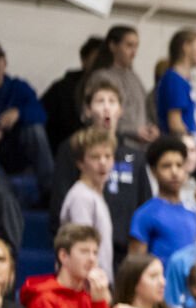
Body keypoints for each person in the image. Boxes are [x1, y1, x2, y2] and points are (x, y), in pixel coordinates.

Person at [50, 79, 151, 266]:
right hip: (86, 253)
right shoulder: (72, 149)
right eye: (100, 101)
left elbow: (145, 206)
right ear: (87, 110)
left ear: (120, 110)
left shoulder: (134, 156)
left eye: (112, 101)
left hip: (124, 250)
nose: (106, 108)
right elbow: (59, 201)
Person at [0, 39, 53, 194]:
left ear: (5, 62)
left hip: (13, 150)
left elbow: (41, 114)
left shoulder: (17, 87)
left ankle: (50, 190)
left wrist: (19, 113)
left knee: (35, 130)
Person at [84, 25, 158, 145]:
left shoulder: (134, 76)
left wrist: (151, 127)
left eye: (136, 46)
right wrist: (132, 131)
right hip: (114, 145)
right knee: (126, 163)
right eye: (129, 45)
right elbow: (97, 117)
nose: (134, 52)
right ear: (113, 46)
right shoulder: (101, 77)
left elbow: (144, 109)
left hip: (139, 148)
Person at [59, 128, 117, 278]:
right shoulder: (81, 197)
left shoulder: (95, 195)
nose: (103, 162)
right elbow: (84, 251)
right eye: (95, 157)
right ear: (80, 163)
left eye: (108, 156)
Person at [129, 137, 196, 262]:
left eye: (179, 165)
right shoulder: (144, 214)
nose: (174, 172)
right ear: (154, 171)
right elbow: (135, 269)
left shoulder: (193, 211)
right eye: (166, 166)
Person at [39, 36, 101, 152]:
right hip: (64, 148)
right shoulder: (62, 87)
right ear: (84, 60)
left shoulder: (113, 90)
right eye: (97, 59)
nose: (101, 65)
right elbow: (41, 115)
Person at [153, 28, 196, 151]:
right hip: (183, 149)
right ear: (186, 47)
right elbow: (175, 122)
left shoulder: (184, 81)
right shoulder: (174, 79)